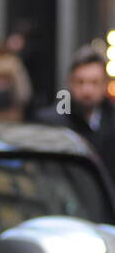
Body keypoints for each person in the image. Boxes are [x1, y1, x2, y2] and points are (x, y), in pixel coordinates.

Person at [38, 47, 115, 185]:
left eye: (94, 82)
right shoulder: (52, 123)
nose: (87, 90)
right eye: (80, 82)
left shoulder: (111, 121)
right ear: (70, 83)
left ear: (104, 85)